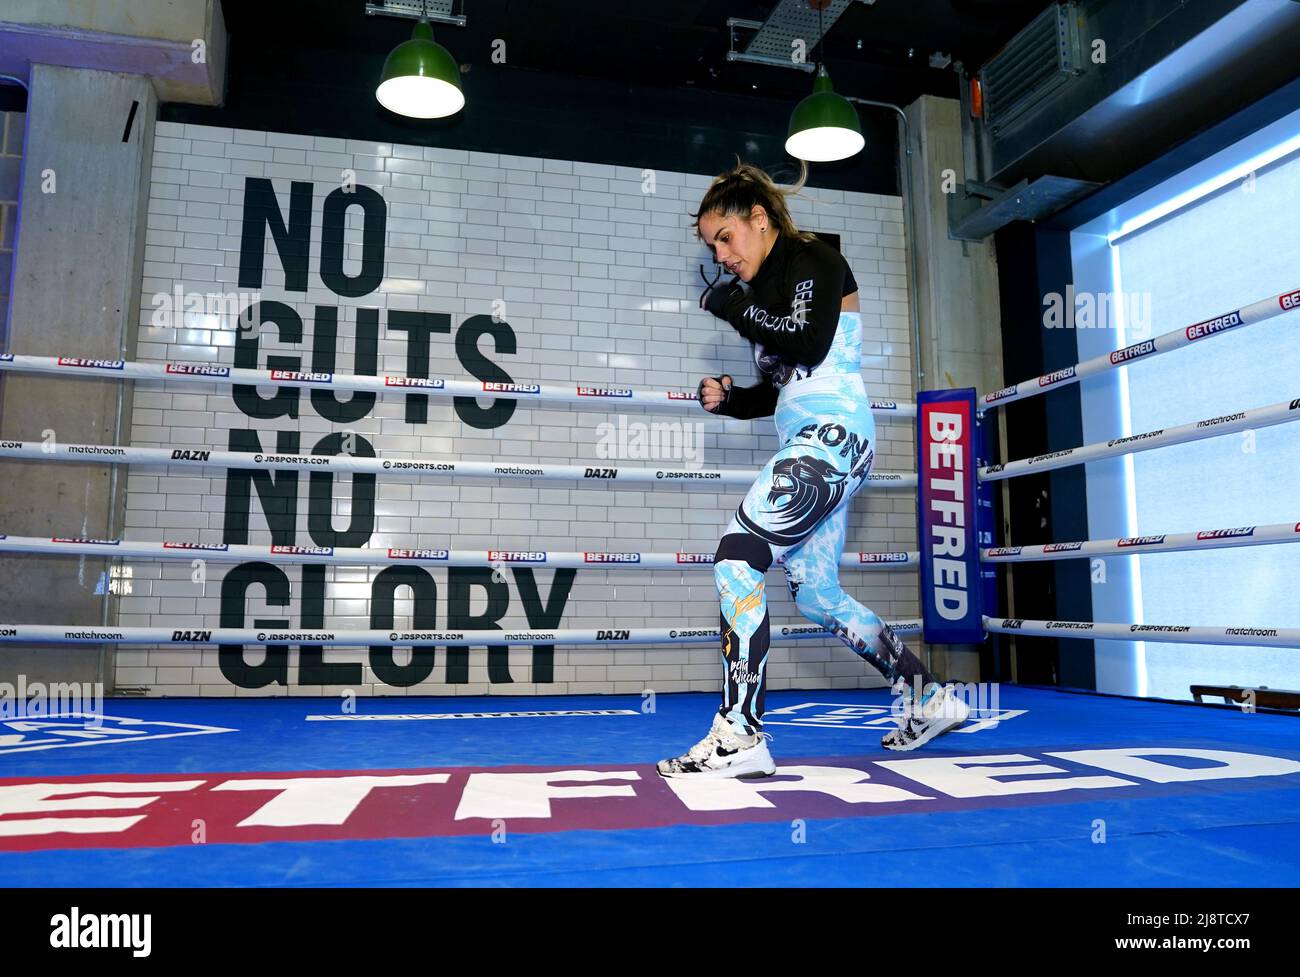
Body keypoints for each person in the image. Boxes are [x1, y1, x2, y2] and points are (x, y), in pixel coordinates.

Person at [657, 161, 969, 780]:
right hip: (817, 438)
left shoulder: (815, 259)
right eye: (712, 246)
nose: (721, 255)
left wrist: (734, 308)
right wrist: (734, 398)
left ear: (759, 218)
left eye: (726, 237)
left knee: (737, 560)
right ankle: (928, 697)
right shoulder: (768, 292)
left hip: (833, 438)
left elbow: (806, 341)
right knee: (818, 594)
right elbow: (791, 381)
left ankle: (740, 736)